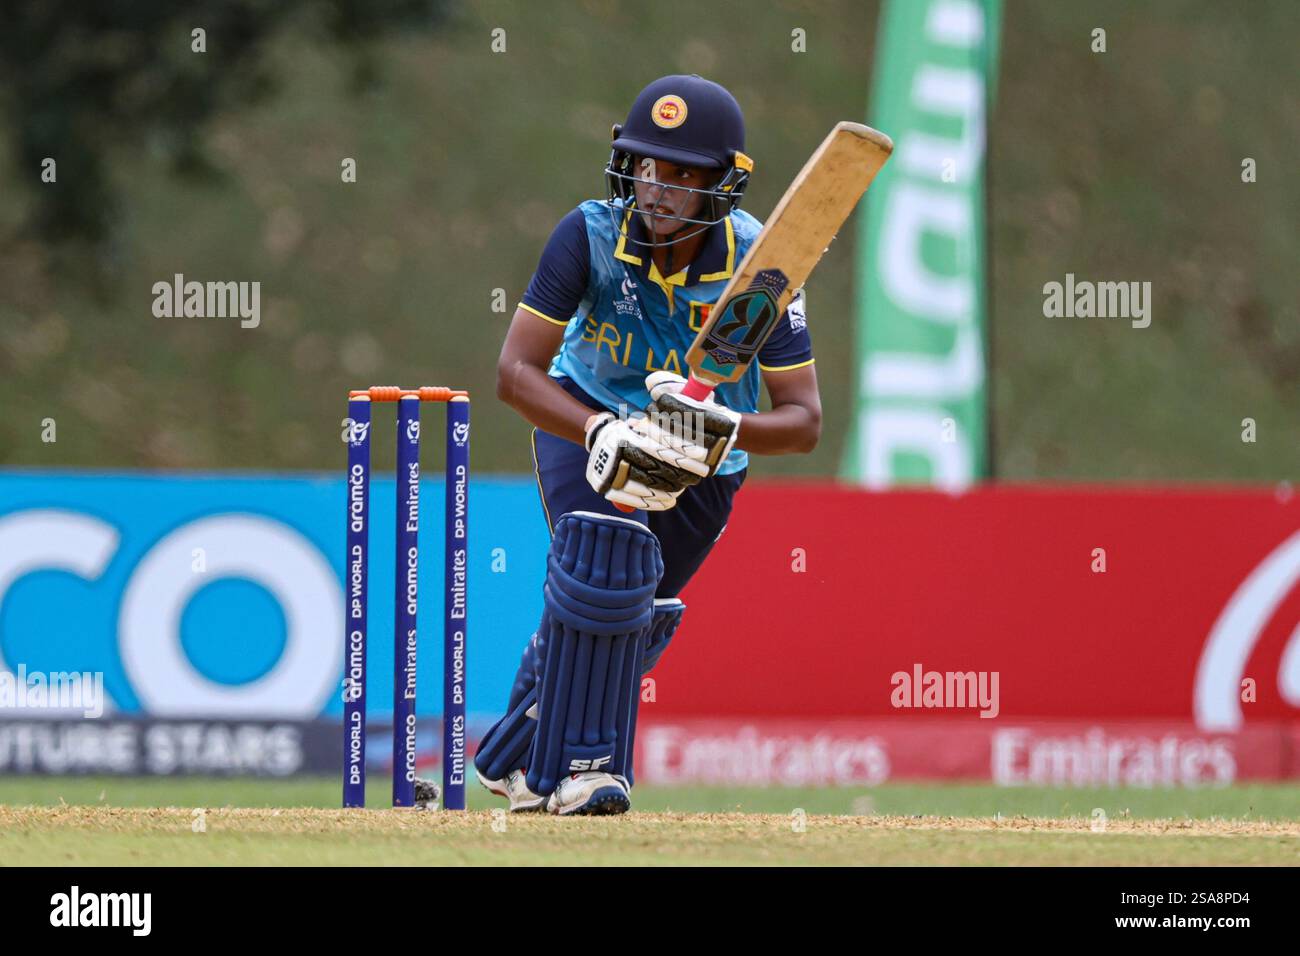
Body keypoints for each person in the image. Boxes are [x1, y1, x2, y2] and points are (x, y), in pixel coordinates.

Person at [475, 74, 821, 815]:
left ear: (722, 184)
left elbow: (803, 419)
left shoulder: (762, 266)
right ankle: (589, 772)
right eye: (644, 166)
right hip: (586, 414)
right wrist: (603, 429)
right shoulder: (590, 233)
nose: (655, 188)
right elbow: (515, 373)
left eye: (681, 174)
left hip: (705, 457)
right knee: (608, 568)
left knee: (632, 620)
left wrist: (722, 431)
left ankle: (513, 759)